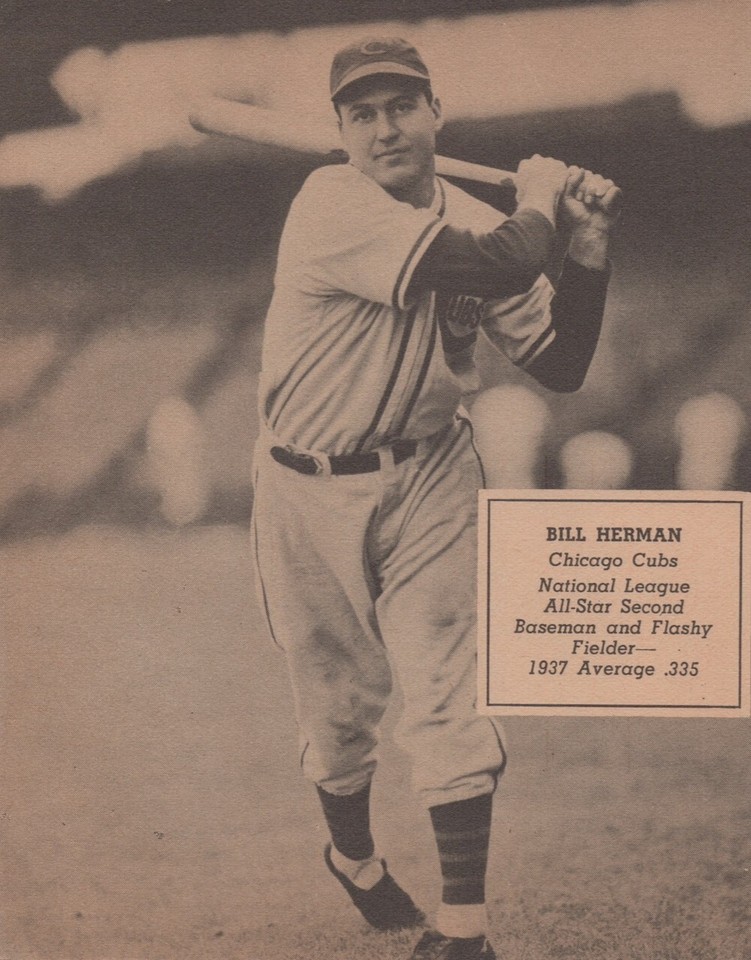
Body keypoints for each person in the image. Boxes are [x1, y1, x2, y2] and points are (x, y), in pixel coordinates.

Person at [251, 36, 620, 960]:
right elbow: (483, 264)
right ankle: (355, 860)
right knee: (339, 717)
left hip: (429, 477)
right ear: (340, 132)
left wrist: (587, 250)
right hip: (306, 486)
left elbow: (561, 364)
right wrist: (536, 200)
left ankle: (464, 933)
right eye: (362, 114)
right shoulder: (328, 200)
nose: (384, 129)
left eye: (400, 107)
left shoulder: (475, 218)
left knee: (447, 698)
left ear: (434, 114)